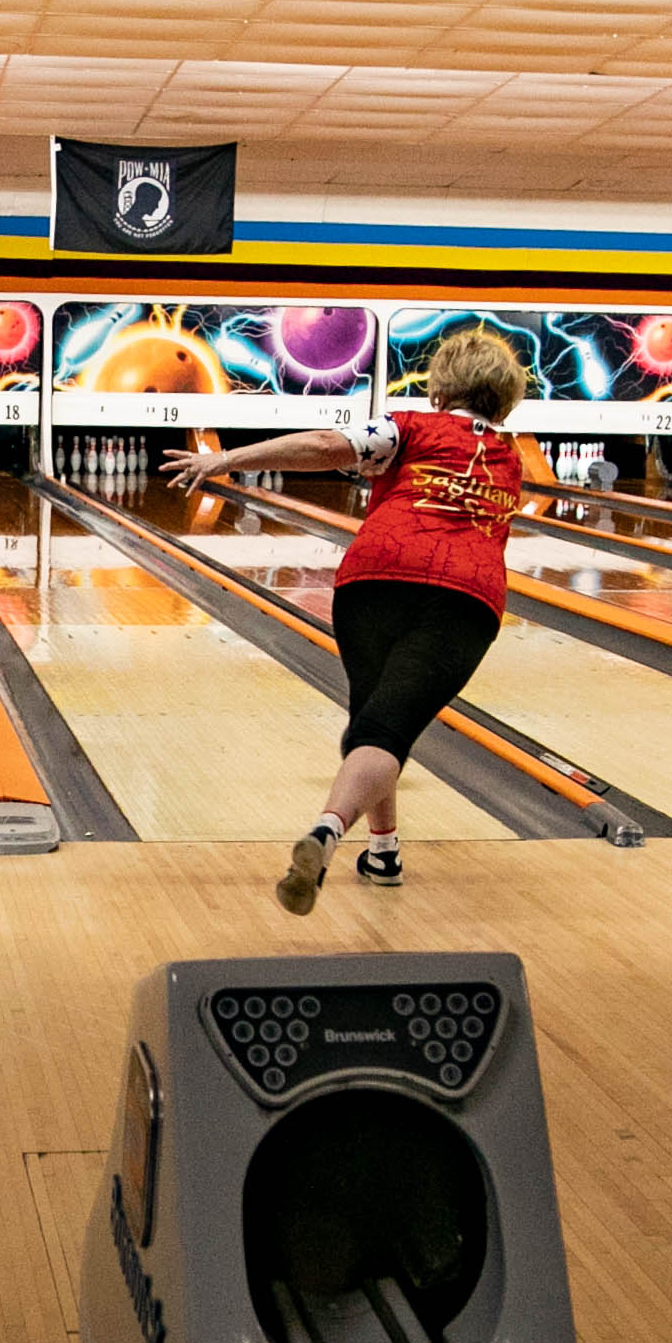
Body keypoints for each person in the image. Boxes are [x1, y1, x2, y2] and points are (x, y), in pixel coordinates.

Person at [164, 326, 538, 913]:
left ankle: (384, 852)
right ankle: (327, 831)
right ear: (506, 395)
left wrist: (226, 458)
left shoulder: (406, 425)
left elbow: (321, 445)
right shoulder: (513, 457)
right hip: (465, 594)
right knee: (387, 728)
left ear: (441, 387)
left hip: (373, 581)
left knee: (375, 718)